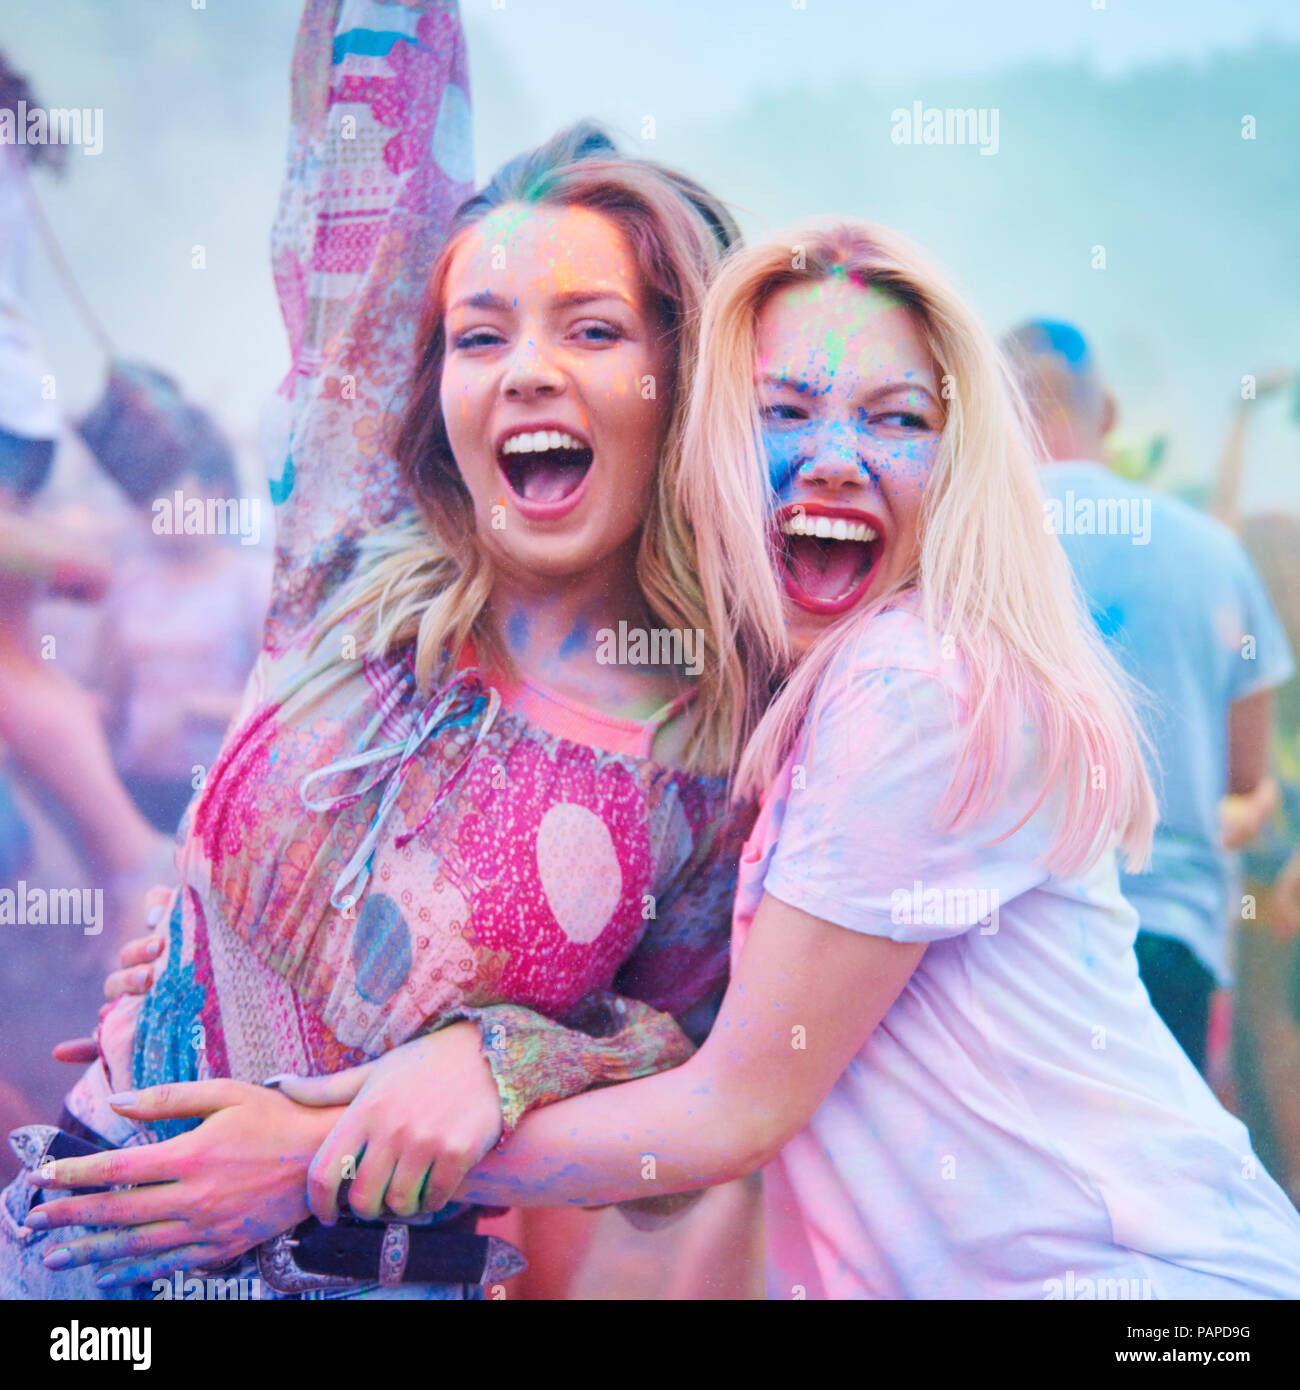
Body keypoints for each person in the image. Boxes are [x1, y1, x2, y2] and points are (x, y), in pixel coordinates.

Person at [125, 218, 1300, 1301]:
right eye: (783, 410)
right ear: (706, 453)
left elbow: (727, 1112)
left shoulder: (912, 684)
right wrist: (229, 963)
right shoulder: (795, 708)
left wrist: (310, 1154)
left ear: (962, 465)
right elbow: (682, 1045)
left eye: (898, 418)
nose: (835, 458)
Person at [3, 0, 755, 1300]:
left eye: (591, 329)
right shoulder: (351, 541)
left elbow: (696, 1098)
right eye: (481, 333)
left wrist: (493, 1062)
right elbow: (375, 105)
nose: (524, 369)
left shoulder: (716, 757)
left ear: (682, 385)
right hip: (79, 1271)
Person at [1003, 318, 1294, 1072]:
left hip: (1005, 938)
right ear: (1108, 416)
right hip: (1171, 937)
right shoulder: (1214, 552)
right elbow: (1242, 776)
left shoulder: (962, 543)